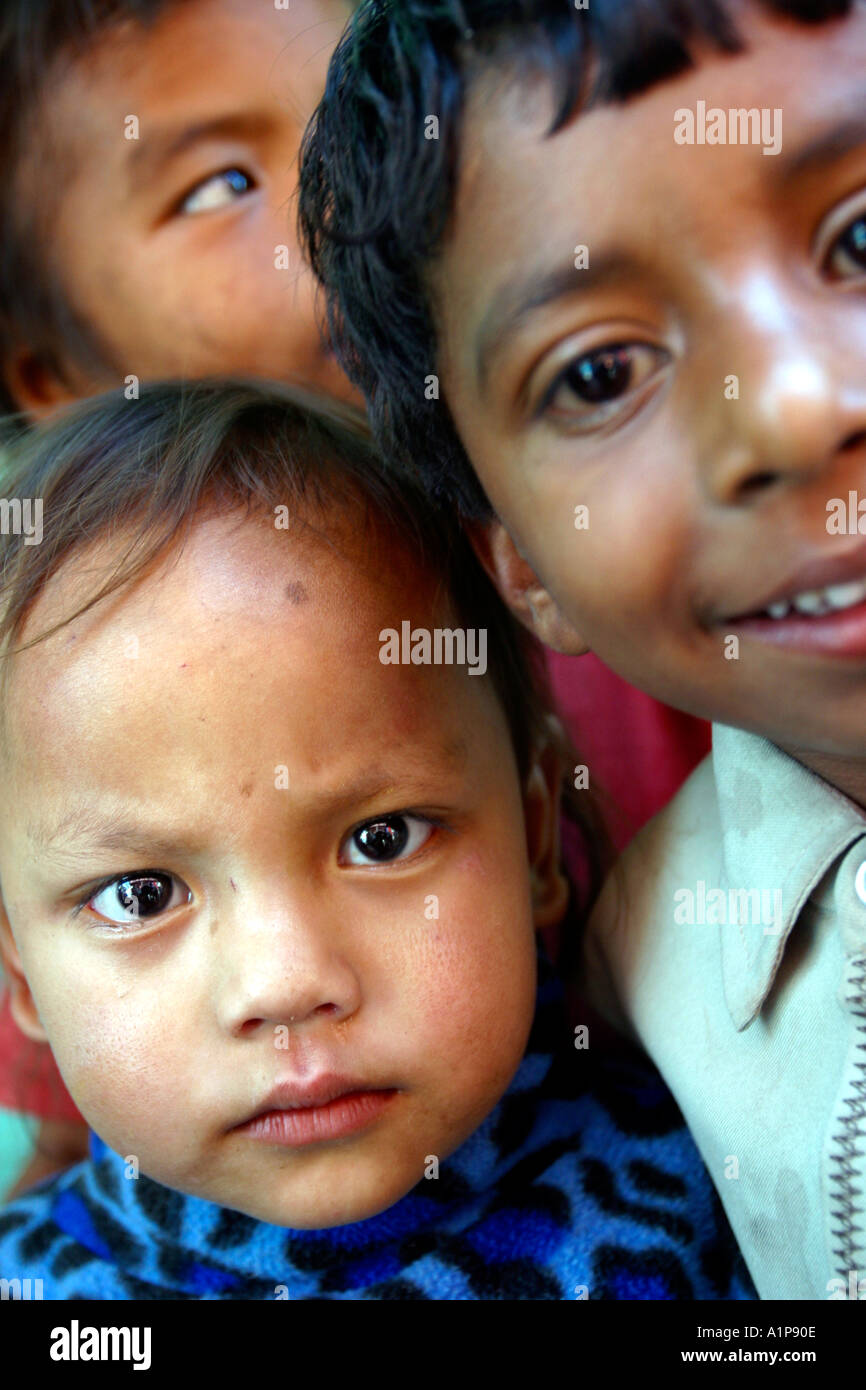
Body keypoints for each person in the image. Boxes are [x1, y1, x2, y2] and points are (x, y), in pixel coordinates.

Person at [0, 0, 710, 1195]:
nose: (348, 207)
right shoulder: (53, 717)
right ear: (56, 373)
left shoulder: (651, 590)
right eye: (221, 184)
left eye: (377, 140)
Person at [298, 0, 866, 1298]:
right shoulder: (641, 971)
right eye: (598, 373)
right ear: (521, 568)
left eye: (857, 239)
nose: (788, 409)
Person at [0, 379, 751, 1299]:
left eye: (383, 839)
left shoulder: (731, 1208)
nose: (285, 984)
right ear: (21, 968)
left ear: (536, 840)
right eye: (141, 895)